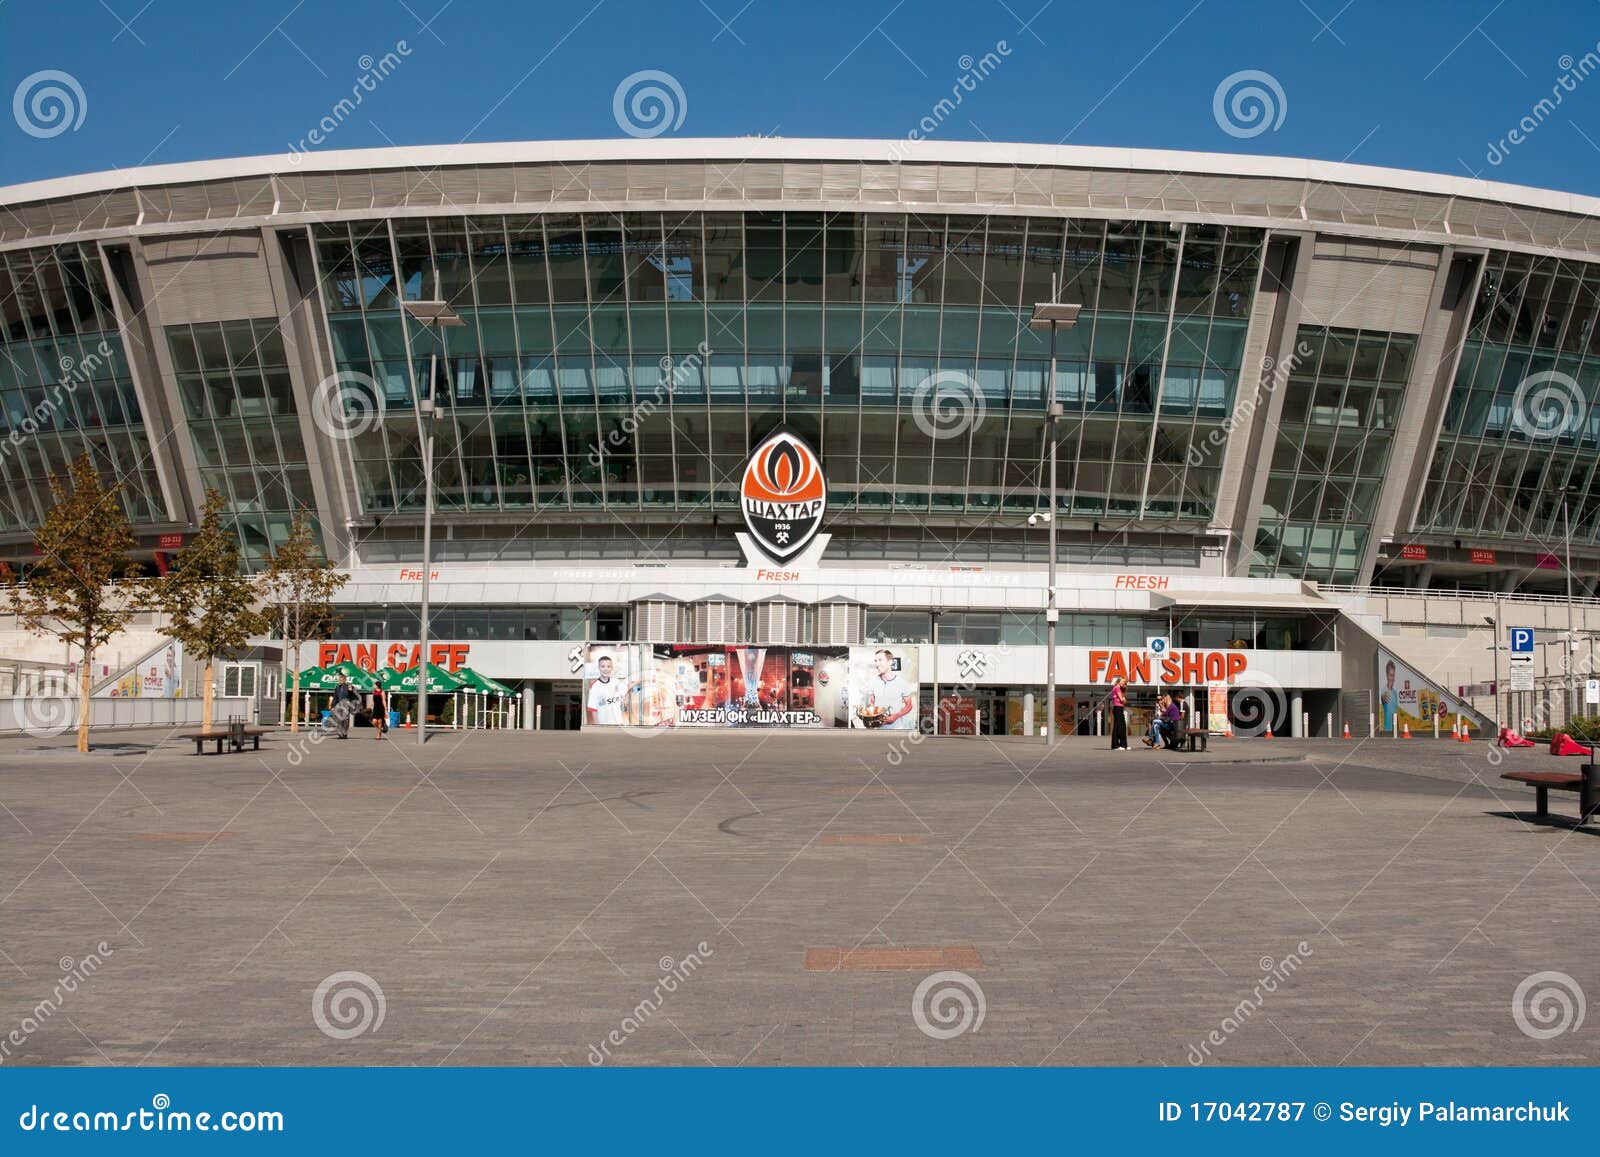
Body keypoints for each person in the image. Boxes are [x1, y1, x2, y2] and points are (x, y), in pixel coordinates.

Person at [865, 648, 917, 730]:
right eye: (875, 661)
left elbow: (909, 705)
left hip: (897, 729)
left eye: (880, 660)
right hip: (877, 729)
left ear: (890, 662)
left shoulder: (902, 682)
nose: (877, 664)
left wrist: (896, 716)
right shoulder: (872, 682)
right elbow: (872, 701)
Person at [586, 654, 624, 726]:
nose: (606, 669)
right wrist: (598, 726)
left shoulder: (616, 682)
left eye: (608, 666)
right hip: (604, 725)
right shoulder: (595, 686)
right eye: (603, 666)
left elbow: (622, 696)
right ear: (599, 668)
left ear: (612, 668)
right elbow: (593, 708)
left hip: (619, 724)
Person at [1109, 676, 1128, 750]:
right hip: (1117, 708)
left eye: (1124, 682)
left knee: (1122, 726)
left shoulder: (1120, 689)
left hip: (1120, 708)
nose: (1124, 683)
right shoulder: (1117, 688)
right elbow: (1122, 699)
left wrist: (1123, 698)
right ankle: (1115, 745)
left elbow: (1124, 700)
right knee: (1118, 727)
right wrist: (1123, 699)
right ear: (1119, 681)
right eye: (1122, 681)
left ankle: (1123, 745)